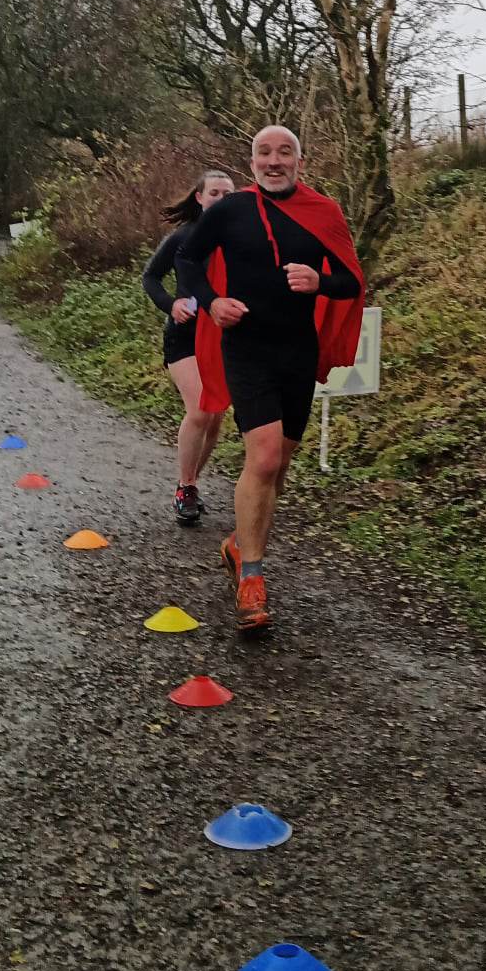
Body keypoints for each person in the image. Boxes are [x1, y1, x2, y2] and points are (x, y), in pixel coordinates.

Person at [179, 125, 364, 631]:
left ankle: (240, 544)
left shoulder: (323, 213)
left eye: (285, 152)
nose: (274, 161)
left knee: (278, 466)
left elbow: (351, 279)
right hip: (245, 349)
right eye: (264, 153)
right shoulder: (228, 210)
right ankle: (253, 580)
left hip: (297, 352)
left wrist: (319, 281)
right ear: (253, 161)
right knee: (261, 455)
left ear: (300, 161)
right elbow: (187, 257)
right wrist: (212, 302)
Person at [141, 167, 236, 525]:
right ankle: (186, 487)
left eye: (229, 194)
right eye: (215, 193)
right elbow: (150, 277)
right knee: (200, 410)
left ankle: (191, 484)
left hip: (225, 336)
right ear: (199, 197)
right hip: (185, 335)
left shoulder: (241, 239)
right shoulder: (185, 236)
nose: (221, 200)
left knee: (215, 419)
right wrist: (172, 304)